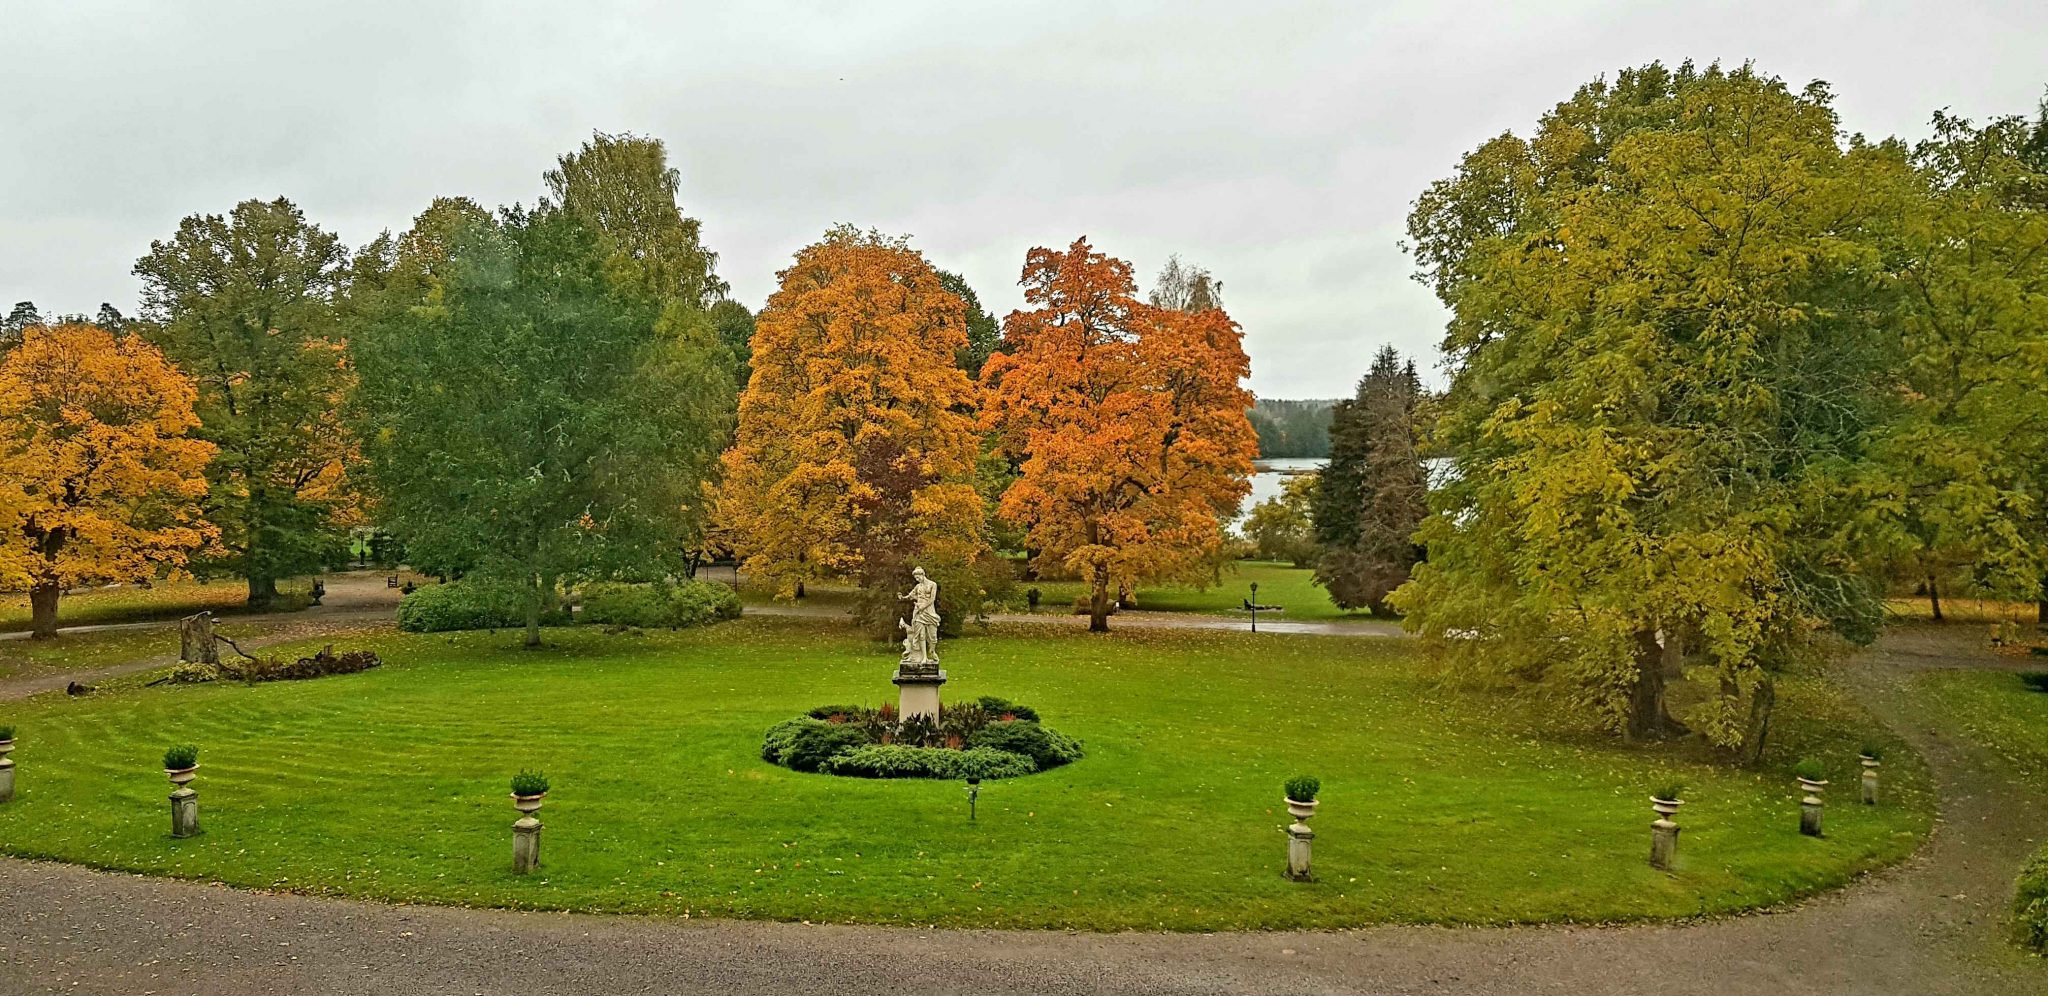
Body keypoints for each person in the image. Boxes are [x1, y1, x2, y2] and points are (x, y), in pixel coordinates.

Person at [898, 566, 941, 665]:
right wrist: (902, 597)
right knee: (921, 635)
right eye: (915, 578)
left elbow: (932, 599)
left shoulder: (932, 584)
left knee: (933, 637)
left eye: (918, 577)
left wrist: (922, 607)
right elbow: (910, 596)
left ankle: (932, 651)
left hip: (929, 612)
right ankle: (924, 657)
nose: (917, 580)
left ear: (922, 574)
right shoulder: (918, 587)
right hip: (918, 613)